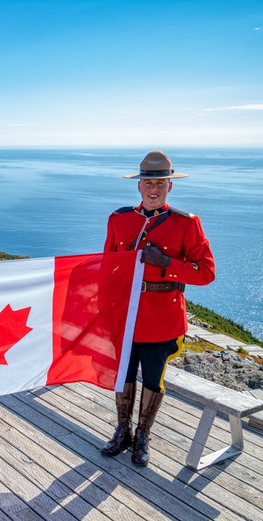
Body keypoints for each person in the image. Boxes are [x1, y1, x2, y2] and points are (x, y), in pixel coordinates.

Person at [100, 150, 215, 466]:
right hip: (125, 316)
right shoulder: (120, 220)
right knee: (124, 375)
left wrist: (167, 263)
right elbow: (106, 268)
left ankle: (142, 437)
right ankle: (121, 431)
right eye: (148, 182)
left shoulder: (186, 224)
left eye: (161, 183)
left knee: (153, 379)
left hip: (161, 317)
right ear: (139, 186)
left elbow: (206, 272)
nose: (153, 189)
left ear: (170, 187)